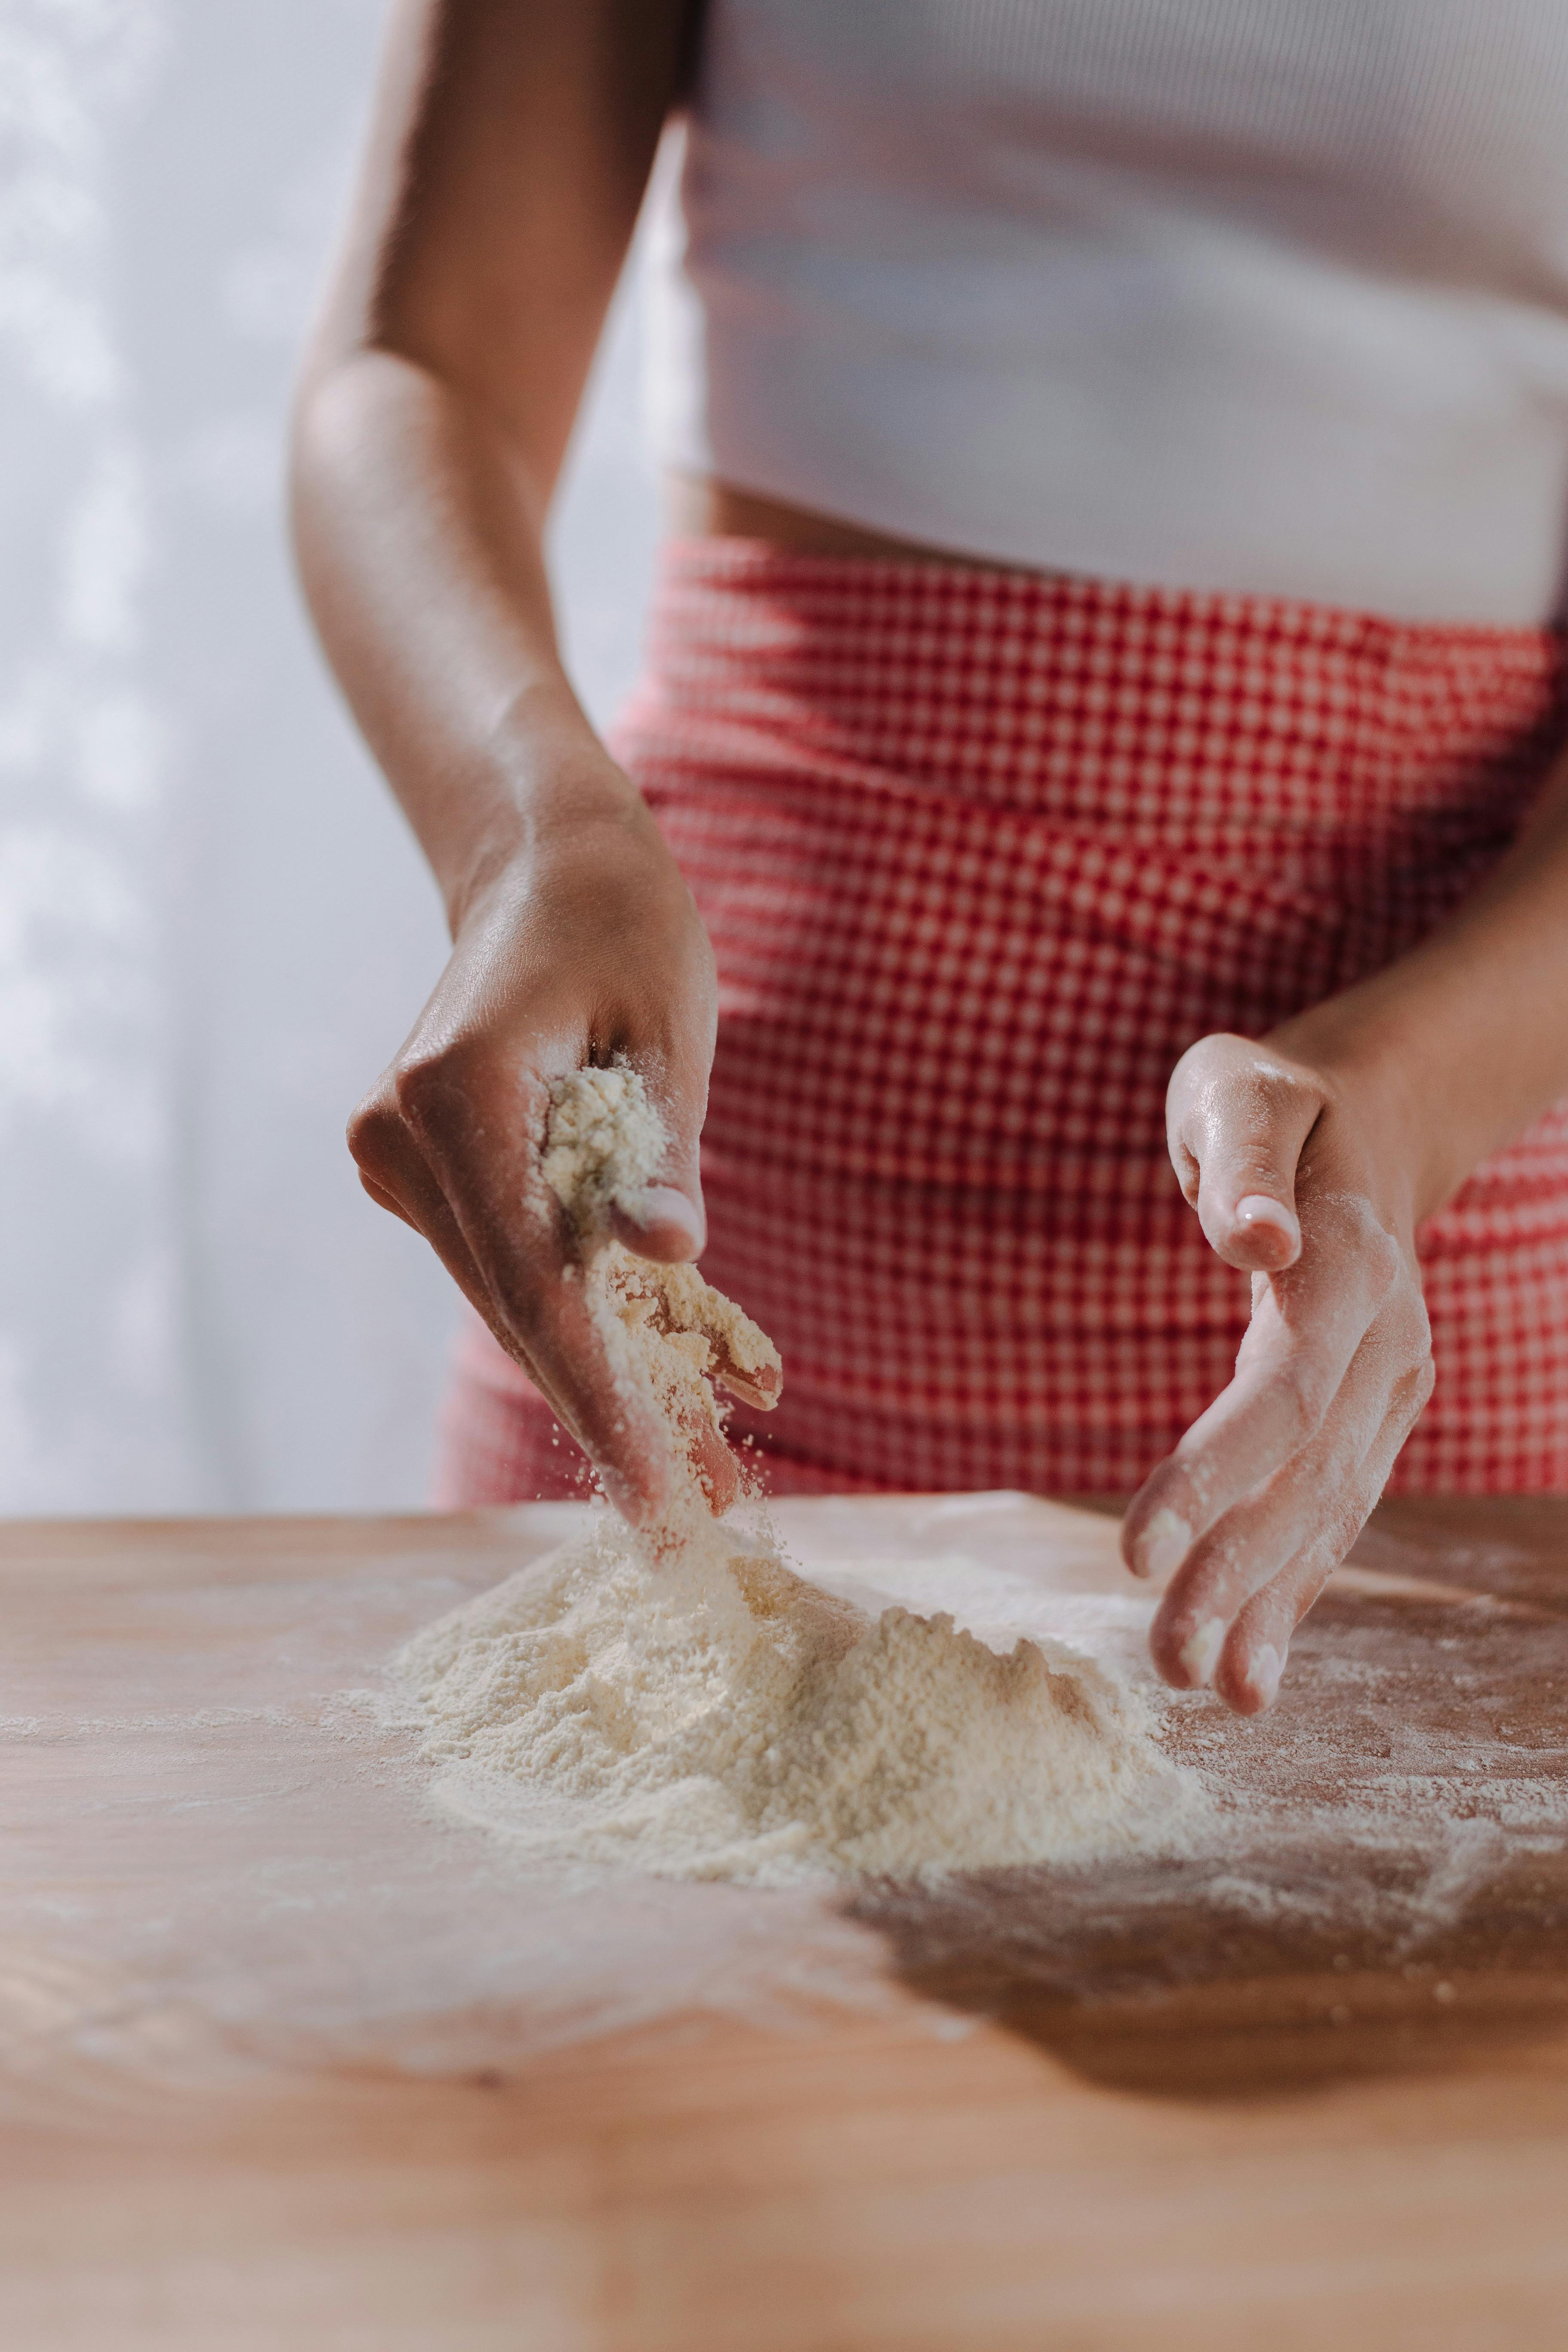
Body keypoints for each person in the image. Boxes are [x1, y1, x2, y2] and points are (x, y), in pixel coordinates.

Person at [291, 1, 1568, 1718]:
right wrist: (534, 836)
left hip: (1407, 1259)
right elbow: (418, 363)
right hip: (698, 1230)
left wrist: (1408, 1101)